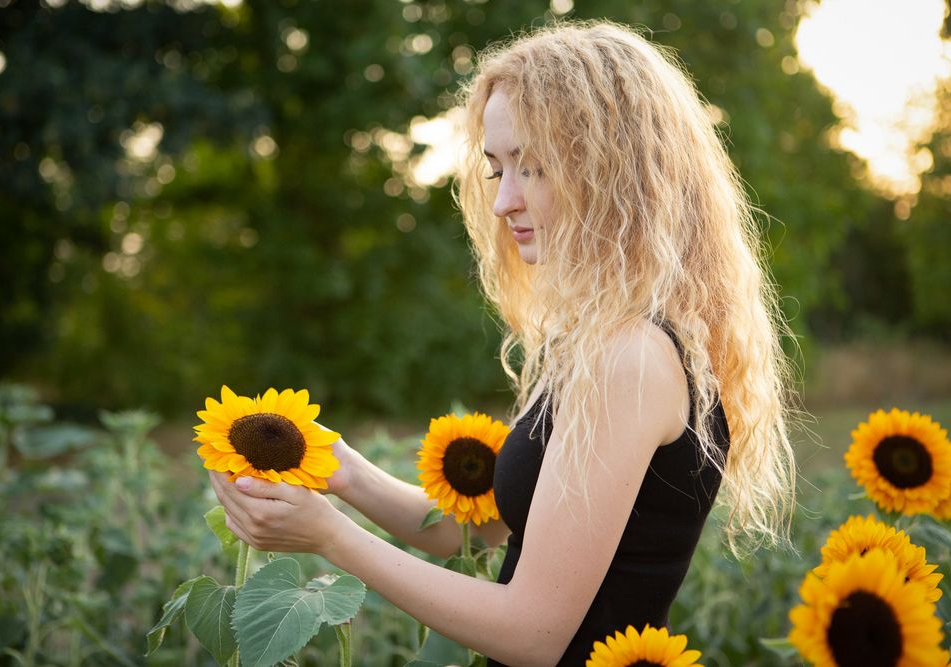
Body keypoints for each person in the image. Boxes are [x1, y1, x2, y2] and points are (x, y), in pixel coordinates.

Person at [209, 19, 797, 667]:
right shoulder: (600, 339)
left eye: (534, 166)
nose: (503, 202)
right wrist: (337, 466)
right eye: (497, 169)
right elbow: (480, 528)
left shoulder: (629, 357)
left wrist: (328, 537)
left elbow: (533, 632)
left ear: (614, 172)